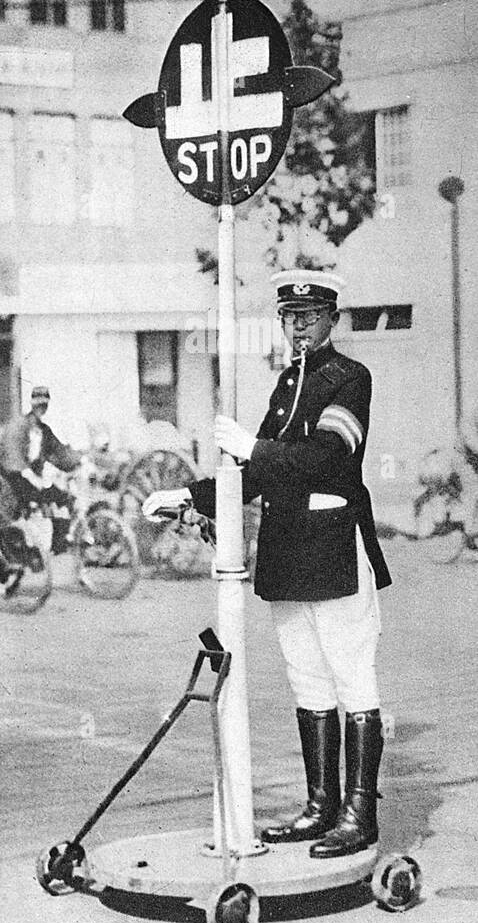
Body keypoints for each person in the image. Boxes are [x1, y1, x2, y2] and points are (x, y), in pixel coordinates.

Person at [143, 271, 391, 859]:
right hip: (289, 550)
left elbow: (327, 454)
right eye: (290, 316)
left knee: (351, 673)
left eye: (311, 315)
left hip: (333, 545)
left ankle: (359, 813)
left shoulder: (350, 378)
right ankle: (320, 806)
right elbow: (256, 475)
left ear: (332, 318)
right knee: (306, 675)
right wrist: (190, 496)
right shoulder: (287, 384)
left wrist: (252, 448)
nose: (299, 325)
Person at [0, 385, 81, 517]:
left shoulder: (44, 431)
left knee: (63, 498)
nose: (41, 408)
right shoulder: (18, 425)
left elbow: (59, 453)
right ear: (32, 403)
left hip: (32, 481)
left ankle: (62, 536)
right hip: (12, 481)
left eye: (44, 405)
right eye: (38, 404)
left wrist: (79, 460)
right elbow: (12, 455)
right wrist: (31, 476)